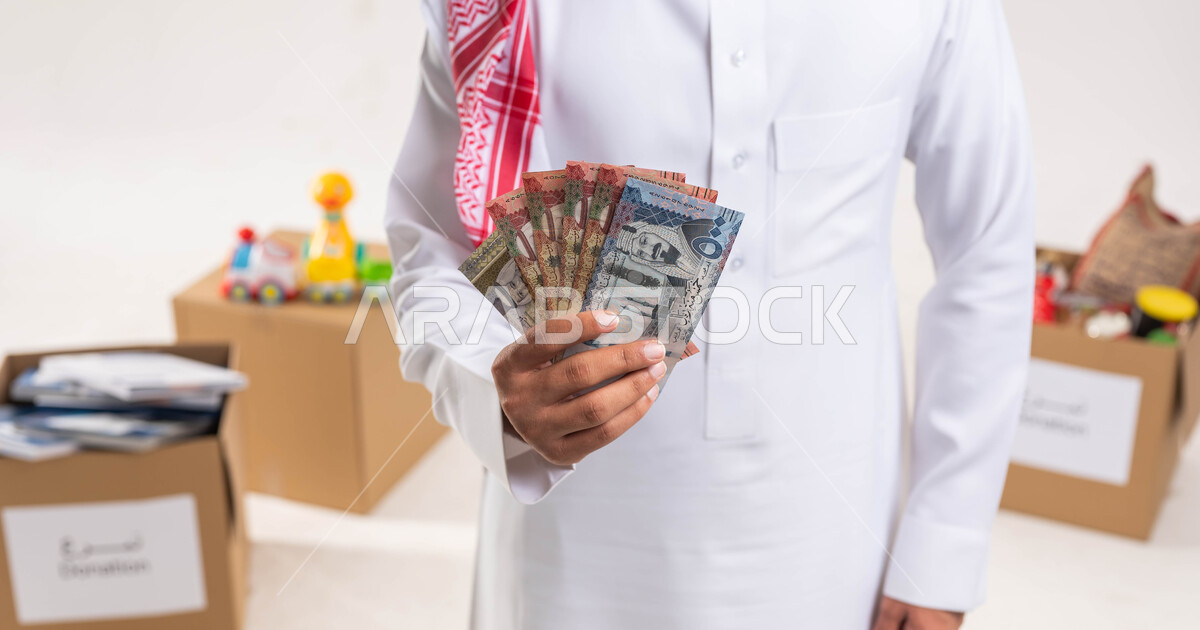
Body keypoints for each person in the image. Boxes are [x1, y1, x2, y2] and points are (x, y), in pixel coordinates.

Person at [384, 1, 1034, 628]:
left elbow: (987, 253)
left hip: (836, 523)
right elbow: (432, 241)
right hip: (570, 536)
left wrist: (943, 547)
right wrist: (492, 391)